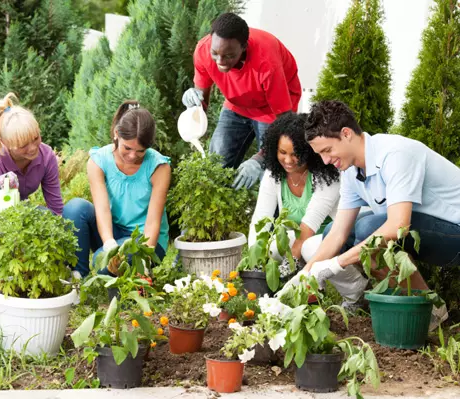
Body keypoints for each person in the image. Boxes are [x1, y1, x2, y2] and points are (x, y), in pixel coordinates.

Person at [290, 100, 460, 322]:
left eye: (328, 150)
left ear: (347, 133)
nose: (326, 160)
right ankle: (423, 306)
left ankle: (428, 310)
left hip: (455, 232)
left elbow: (399, 225)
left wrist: (336, 264)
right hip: (430, 233)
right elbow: (338, 233)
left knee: (368, 228)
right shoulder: (351, 171)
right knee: (338, 229)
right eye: (320, 154)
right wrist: (307, 273)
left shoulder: (395, 154)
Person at [182, 12, 301, 190]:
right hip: (236, 104)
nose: (220, 61)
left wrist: (259, 161)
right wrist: (194, 103)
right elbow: (201, 101)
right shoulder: (203, 51)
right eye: (215, 53)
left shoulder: (266, 62)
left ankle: (272, 216)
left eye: (229, 56)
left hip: (273, 110)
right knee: (215, 166)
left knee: (272, 174)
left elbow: (285, 125)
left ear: (244, 46)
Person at [63, 100, 171, 278]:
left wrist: (144, 258)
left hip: (146, 239)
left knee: (102, 263)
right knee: (75, 208)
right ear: (116, 134)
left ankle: (129, 264)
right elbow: (102, 209)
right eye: (127, 148)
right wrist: (109, 243)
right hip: (112, 231)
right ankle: (78, 275)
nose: (132, 156)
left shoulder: (159, 167)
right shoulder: (98, 161)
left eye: (140, 151)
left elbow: (153, 223)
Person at [249, 113, 340, 266]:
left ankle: (354, 286)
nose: (288, 160)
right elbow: (260, 219)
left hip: (331, 237)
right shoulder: (273, 174)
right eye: (282, 152)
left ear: (308, 151)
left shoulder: (327, 174)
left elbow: (309, 227)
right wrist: (254, 261)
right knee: (272, 246)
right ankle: (309, 282)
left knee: (309, 249)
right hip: (301, 241)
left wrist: (287, 269)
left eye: (295, 154)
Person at [0, 93, 63, 215]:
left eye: (35, 138)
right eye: (23, 145)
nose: (33, 148)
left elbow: (55, 204)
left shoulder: (46, 155)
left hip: (19, 214)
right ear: (4, 143)